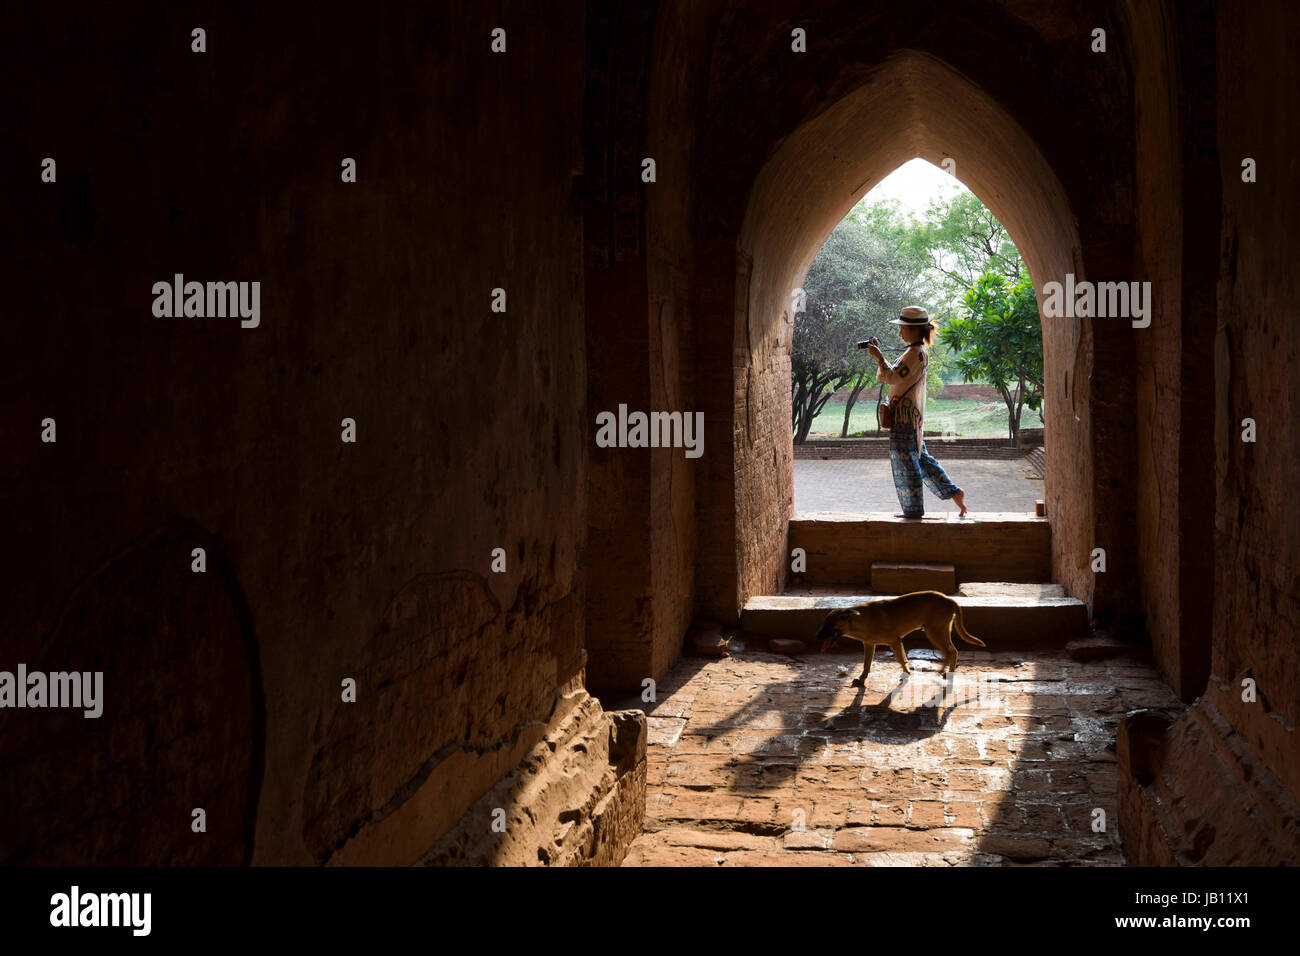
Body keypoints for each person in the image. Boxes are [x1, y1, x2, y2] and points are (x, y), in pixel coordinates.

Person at [865, 306, 968, 519]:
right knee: (920, 459)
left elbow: (891, 376)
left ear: (914, 330)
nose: (900, 332)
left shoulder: (914, 354)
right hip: (910, 417)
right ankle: (953, 491)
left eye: (903, 328)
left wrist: (878, 357)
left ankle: (913, 511)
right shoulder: (917, 352)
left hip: (904, 418)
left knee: (907, 464)